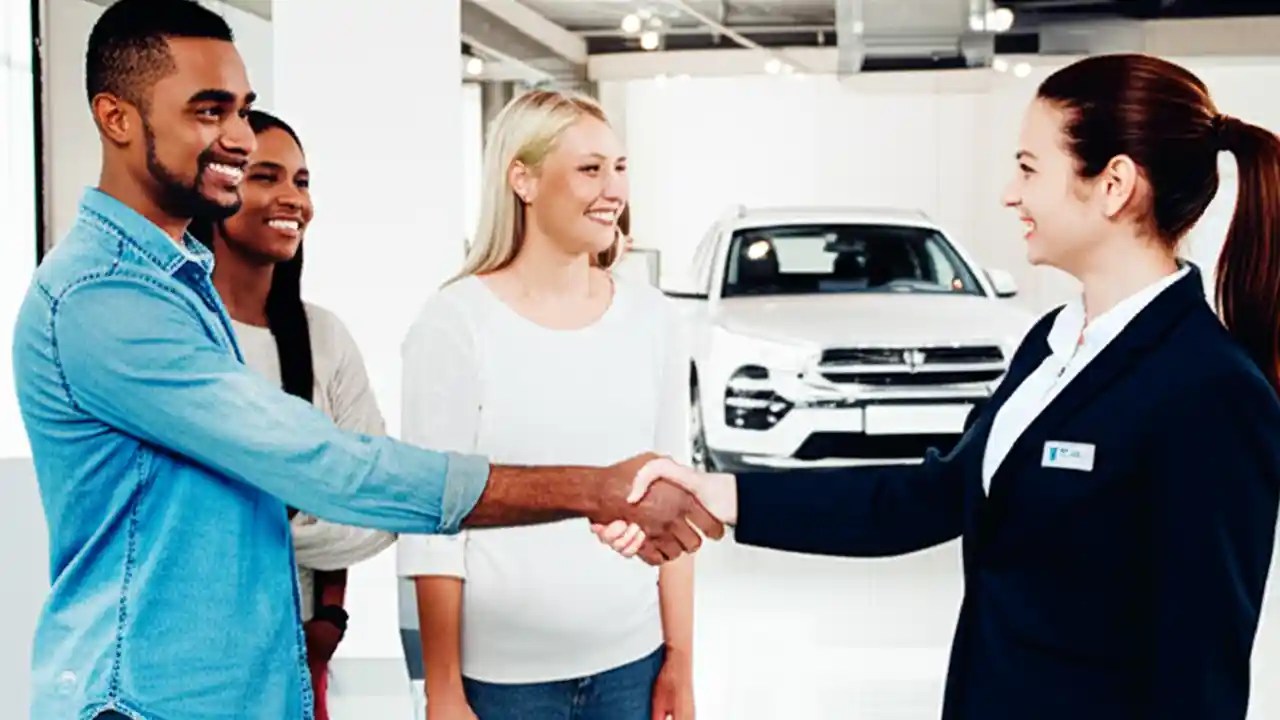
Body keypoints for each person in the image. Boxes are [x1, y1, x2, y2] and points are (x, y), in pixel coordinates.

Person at [10, 2, 722, 719]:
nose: (237, 137)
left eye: (242, 110)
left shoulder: (179, 281)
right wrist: (592, 489)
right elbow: (324, 465)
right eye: (208, 111)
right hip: (146, 702)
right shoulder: (103, 299)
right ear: (117, 118)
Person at [610, 53, 1280, 720]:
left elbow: (1200, 673)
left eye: (1027, 168)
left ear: (1114, 185)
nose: (1008, 195)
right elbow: (925, 498)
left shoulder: (1211, 390)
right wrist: (718, 492)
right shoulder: (1053, 341)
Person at [396, 91, 695, 720]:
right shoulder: (456, 323)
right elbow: (433, 519)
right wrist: (442, 688)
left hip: (632, 666)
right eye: (589, 169)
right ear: (523, 178)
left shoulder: (656, 320)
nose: (613, 188)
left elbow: (676, 508)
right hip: (503, 683)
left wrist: (680, 663)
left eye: (619, 166)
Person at [187, 109, 396, 720]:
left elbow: (377, 505)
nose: (291, 198)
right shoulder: (174, 335)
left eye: (301, 181)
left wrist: (258, 516)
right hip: (188, 667)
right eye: (266, 177)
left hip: (299, 661)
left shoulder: (323, 338)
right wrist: (309, 500)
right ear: (218, 188)